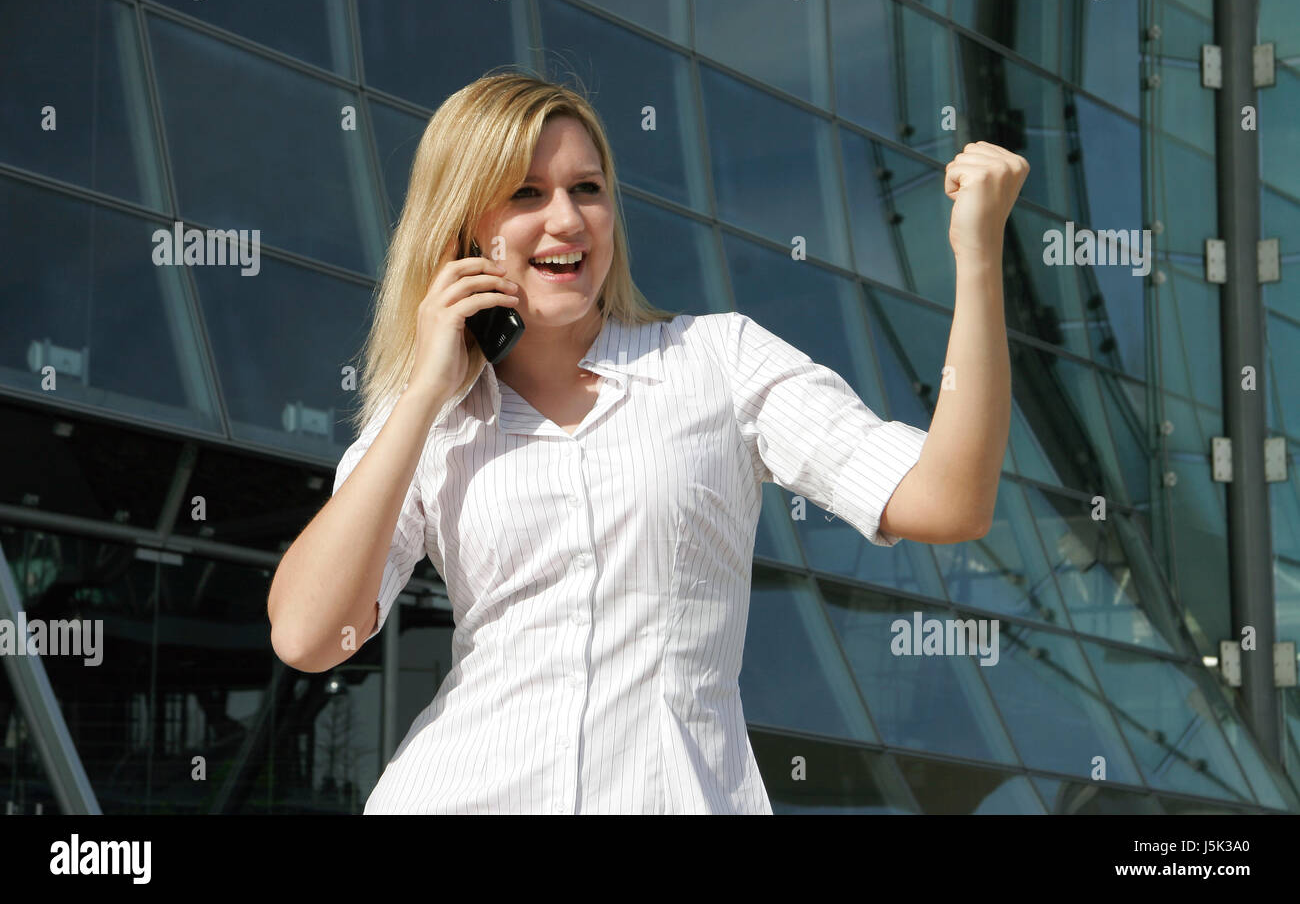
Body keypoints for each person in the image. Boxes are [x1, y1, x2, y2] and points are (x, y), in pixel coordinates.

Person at [267, 69, 1025, 813]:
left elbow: (949, 503)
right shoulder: (432, 422)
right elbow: (308, 636)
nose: (566, 219)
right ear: (467, 231)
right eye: (527, 194)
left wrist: (978, 257)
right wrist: (425, 392)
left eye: (586, 189)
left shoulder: (717, 362)